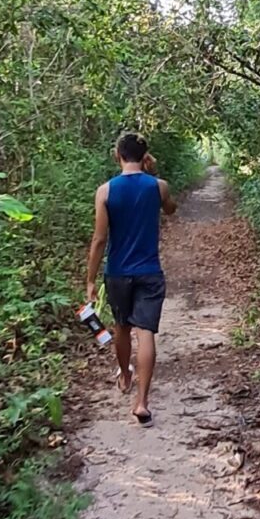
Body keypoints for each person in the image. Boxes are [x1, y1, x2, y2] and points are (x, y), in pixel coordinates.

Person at [85, 133, 177, 425]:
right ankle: (142, 403)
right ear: (145, 156)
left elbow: (100, 239)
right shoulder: (158, 187)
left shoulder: (105, 191)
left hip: (117, 272)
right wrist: (152, 174)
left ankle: (125, 375)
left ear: (117, 155)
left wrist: (89, 279)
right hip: (149, 271)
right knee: (146, 332)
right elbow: (171, 209)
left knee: (122, 328)